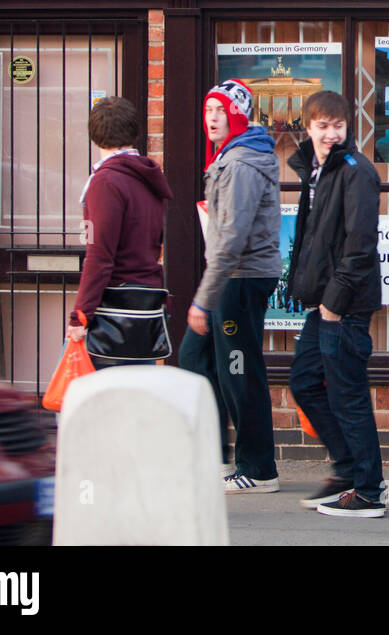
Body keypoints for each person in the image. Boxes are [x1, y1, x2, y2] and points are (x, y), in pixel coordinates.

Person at [286, 90, 387, 518]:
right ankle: (348, 469)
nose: (330, 134)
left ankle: (368, 491)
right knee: (305, 382)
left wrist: (333, 303)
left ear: (348, 128)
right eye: (322, 126)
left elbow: (360, 244)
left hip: (343, 305)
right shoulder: (317, 169)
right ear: (307, 128)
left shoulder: (355, 170)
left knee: (348, 396)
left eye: (338, 126)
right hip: (323, 302)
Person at [180, 79, 282, 494]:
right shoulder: (231, 157)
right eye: (208, 111)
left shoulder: (239, 164)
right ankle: (211, 453)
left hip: (240, 280)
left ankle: (259, 469)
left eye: (221, 111)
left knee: (241, 371)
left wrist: (204, 300)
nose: (213, 119)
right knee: (195, 359)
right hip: (231, 278)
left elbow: (230, 238)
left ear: (238, 115)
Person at [66, 97, 172, 370]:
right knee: (137, 400)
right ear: (134, 131)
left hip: (114, 309)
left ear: (95, 135)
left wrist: (80, 315)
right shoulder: (146, 177)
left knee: (98, 403)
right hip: (146, 304)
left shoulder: (106, 181)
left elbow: (99, 255)